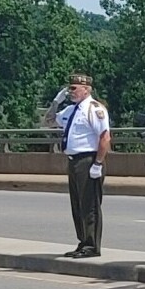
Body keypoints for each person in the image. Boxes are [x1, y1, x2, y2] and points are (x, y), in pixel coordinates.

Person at [43, 73, 110, 258]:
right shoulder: (70, 110)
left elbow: (105, 138)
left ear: (86, 89)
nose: (70, 91)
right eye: (69, 88)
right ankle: (83, 241)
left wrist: (98, 163)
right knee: (78, 205)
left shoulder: (94, 109)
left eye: (74, 88)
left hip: (88, 160)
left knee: (90, 205)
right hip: (74, 161)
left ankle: (92, 245)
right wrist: (56, 102)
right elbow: (48, 121)